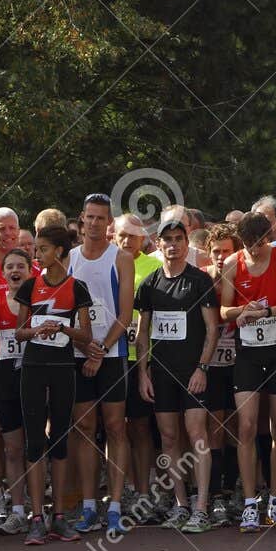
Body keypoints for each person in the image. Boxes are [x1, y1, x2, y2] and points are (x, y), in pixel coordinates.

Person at [135, 213, 219, 532]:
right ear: (159, 244)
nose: (172, 245)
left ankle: (202, 506)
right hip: (161, 373)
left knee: (197, 434)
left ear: (187, 243)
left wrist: (202, 368)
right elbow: (143, 333)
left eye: (178, 239)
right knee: (169, 437)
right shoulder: (150, 284)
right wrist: (143, 373)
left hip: (193, 372)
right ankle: (182, 504)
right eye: (167, 240)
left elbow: (212, 329)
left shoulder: (199, 280)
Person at [219, 211, 276, 532]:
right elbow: (224, 309)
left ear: (269, 237)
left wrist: (267, 311)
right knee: (247, 426)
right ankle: (251, 503)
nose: (255, 249)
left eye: (261, 242)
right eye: (250, 243)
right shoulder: (232, 264)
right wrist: (242, 312)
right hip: (248, 356)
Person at [12, 225, 92, 546]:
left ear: (59, 251)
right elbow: (18, 331)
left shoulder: (77, 287)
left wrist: (62, 327)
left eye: (42, 249)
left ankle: (58, 515)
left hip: (62, 368)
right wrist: (36, 330)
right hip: (33, 368)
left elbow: (86, 336)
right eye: (37, 249)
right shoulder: (31, 286)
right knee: (34, 441)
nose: (37, 254)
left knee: (60, 438)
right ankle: (35, 517)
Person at [69, 193, 134, 537]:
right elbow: (64, 308)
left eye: (101, 218)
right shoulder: (70, 258)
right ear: (81, 219)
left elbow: (125, 314)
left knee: (115, 427)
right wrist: (86, 348)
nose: (94, 223)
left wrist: (101, 350)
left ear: (109, 223)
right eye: (89, 217)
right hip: (78, 354)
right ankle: (89, 504)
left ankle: (116, 504)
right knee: (84, 429)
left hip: (111, 354)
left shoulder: (120, 258)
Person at [0, 246, 33, 535]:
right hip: (6, 381)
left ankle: (42, 508)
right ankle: (17, 510)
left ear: (30, 272)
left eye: (21, 267)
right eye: (10, 267)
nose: (15, 271)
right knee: (13, 449)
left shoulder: (40, 303)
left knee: (39, 447)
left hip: (37, 380)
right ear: (3, 274)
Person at [115, 214, 161, 507]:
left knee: (142, 427)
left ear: (143, 238)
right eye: (121, 235)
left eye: (132, 235)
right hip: (111, 356)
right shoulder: (106, 264)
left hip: (146, 357)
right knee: (114, 428)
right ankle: (122, 490)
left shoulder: (155, 266)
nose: (126, 241)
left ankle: (145, 491)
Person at [204, 224, 240, 526]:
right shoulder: (201, 281)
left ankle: (237, 487)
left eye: (226, 251)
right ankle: (216, 494)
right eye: (216, 251)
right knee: (214, 427)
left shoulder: (243, 277)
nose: (220, 257)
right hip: (212, 365)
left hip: (241, 363)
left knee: (241, 427)